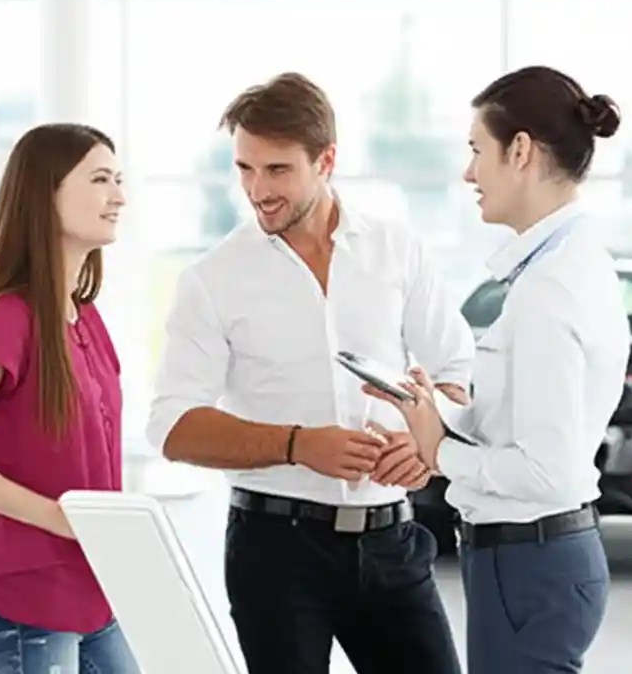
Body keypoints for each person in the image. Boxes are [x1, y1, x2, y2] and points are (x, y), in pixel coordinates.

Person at [145, 72, 475, 674]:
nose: (256, 190)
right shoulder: (212, 279)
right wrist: (298, 446)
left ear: (326, 160)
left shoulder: (396, 250)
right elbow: (172, 426)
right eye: (245, 169)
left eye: (277, 171)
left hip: (393, 541)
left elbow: (458, 374)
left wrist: (428, 441)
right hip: (275, 552)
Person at [363, 65, 630, 674]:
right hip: (533, 560)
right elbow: (526, 423)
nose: (467, 173)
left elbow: (544, 466)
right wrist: (443, 413)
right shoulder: (562, 267)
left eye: (475, 150)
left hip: (529, 562)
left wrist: (438, 451)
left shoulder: (551, 288)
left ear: (520, 150)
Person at [0, 123, 140, 674]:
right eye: (100, 179)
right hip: (27, 600)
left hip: (96, 592)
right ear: (47, 194)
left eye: (119, 179)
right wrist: (57, 518)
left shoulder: (85, 318)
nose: (118, 195)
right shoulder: (7, 319)